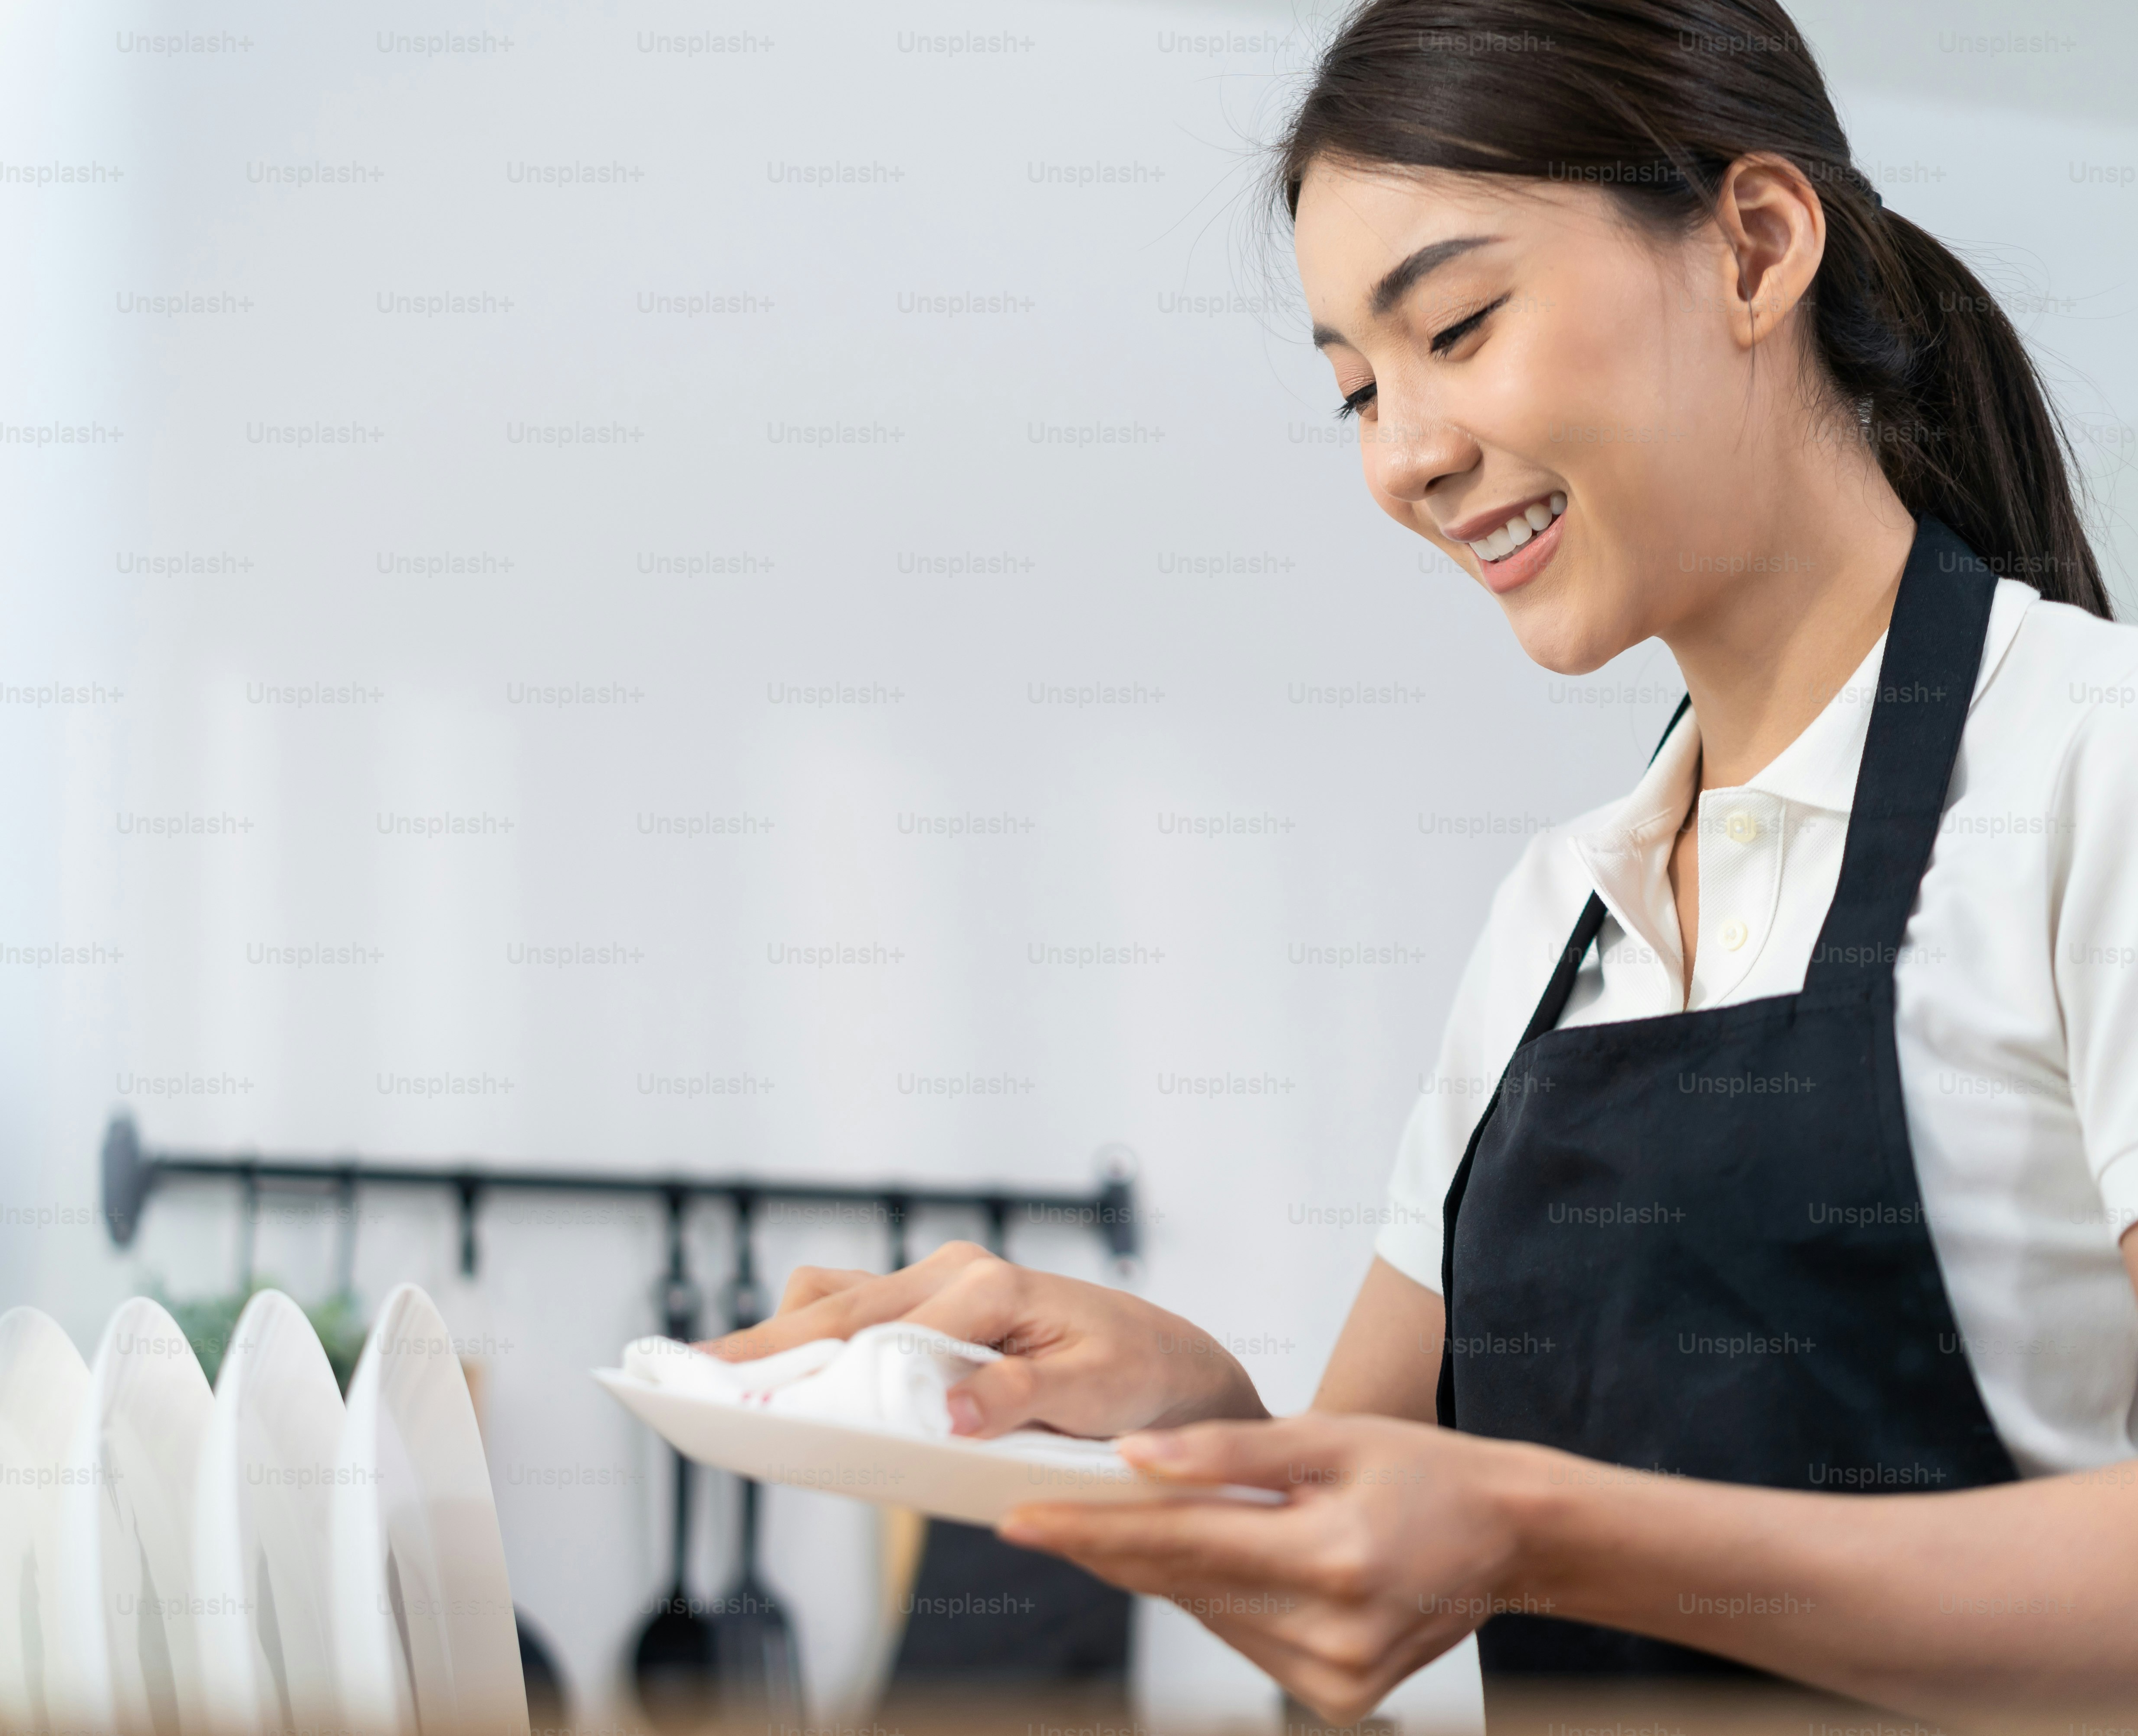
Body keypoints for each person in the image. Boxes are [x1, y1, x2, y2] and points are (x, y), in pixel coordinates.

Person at [712, 0, 2138, 1722]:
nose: (1406, 457)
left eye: (1458, 326)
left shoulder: (2087, 772)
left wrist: (1544, 1524)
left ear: (1756, 248)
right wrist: (1185, 1416)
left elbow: (1500, 1530)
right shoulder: (1561, 914)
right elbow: (1353, 1554)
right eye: (1358, 393)